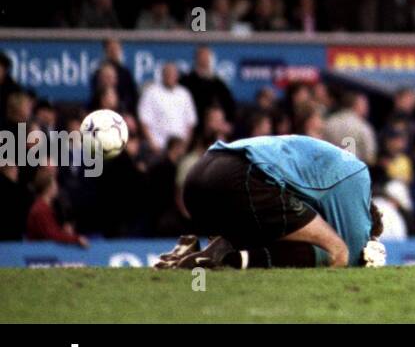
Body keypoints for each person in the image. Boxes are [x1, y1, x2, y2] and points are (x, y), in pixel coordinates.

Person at [159, 134, 382, 269]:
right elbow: (347, 254)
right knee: (336, 247)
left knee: (279, 229)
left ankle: (190, 252)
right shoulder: (357, 174)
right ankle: (228, 259)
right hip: (241, 177)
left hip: (199, 177)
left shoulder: (320, 175)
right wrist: (367, 253)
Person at [137, 63, 197, 155]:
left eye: (173, 74)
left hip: (179, 149)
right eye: (167, 73)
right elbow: (144, 121)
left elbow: (190, 123)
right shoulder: (151, 92)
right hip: (157, 147)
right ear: (162, 75)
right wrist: (152, 144)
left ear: (177, 76)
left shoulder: (184, 94)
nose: (170, 76)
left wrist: (184, 147)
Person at [179, 46, 236, 123]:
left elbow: (229, 105)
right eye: (201, 56)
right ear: (196, 58)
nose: (204, 59)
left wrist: (227, 123)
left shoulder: (218, 83)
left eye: (207, 56)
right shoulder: (185, 81)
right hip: (191, 124)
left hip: (212, 127)